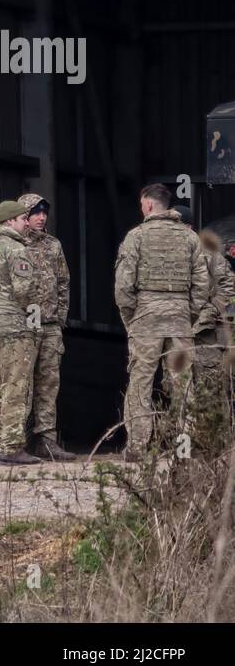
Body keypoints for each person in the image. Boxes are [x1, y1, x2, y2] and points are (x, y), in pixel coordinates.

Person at [113, 184, 208, 461]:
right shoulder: (190, 239)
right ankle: (184, 447)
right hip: (180, 318)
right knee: (183, 384)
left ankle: (137, 448)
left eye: (143, 204)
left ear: (150, 205)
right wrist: (187, 313)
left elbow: (123, 286)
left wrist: (132, 318)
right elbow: (202, 284)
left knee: (141, 381)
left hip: (145, 317)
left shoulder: (136, 237)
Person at [0, 200, 42, 465]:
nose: (27, 223)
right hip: (13, 327)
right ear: (9, 221)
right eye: (23, 218)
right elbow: (24, 291)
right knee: (16, 386)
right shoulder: (16, 250)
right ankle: (12, 447)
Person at [17, 193, 75, 461]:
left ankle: (47, 440)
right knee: (21, 381)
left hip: (50, 324)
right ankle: (17, 440)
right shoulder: (14, 245)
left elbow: (63, 282)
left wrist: (60, 317)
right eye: (35, 213)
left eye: (44, 212)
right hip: (24, 324)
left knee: (48, 383)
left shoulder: (53, 246)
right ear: (23, 216)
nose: (41, 217)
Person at [173, 205, 234, 452]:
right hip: (177, 336)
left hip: (206, 337)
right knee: (181, 392)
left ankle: (216, 445)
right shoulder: (166, 255)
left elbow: (228, 288)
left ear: (187, 227)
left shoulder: (208, 254)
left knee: (211, 390)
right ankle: (185, 448)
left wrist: (208, 315)